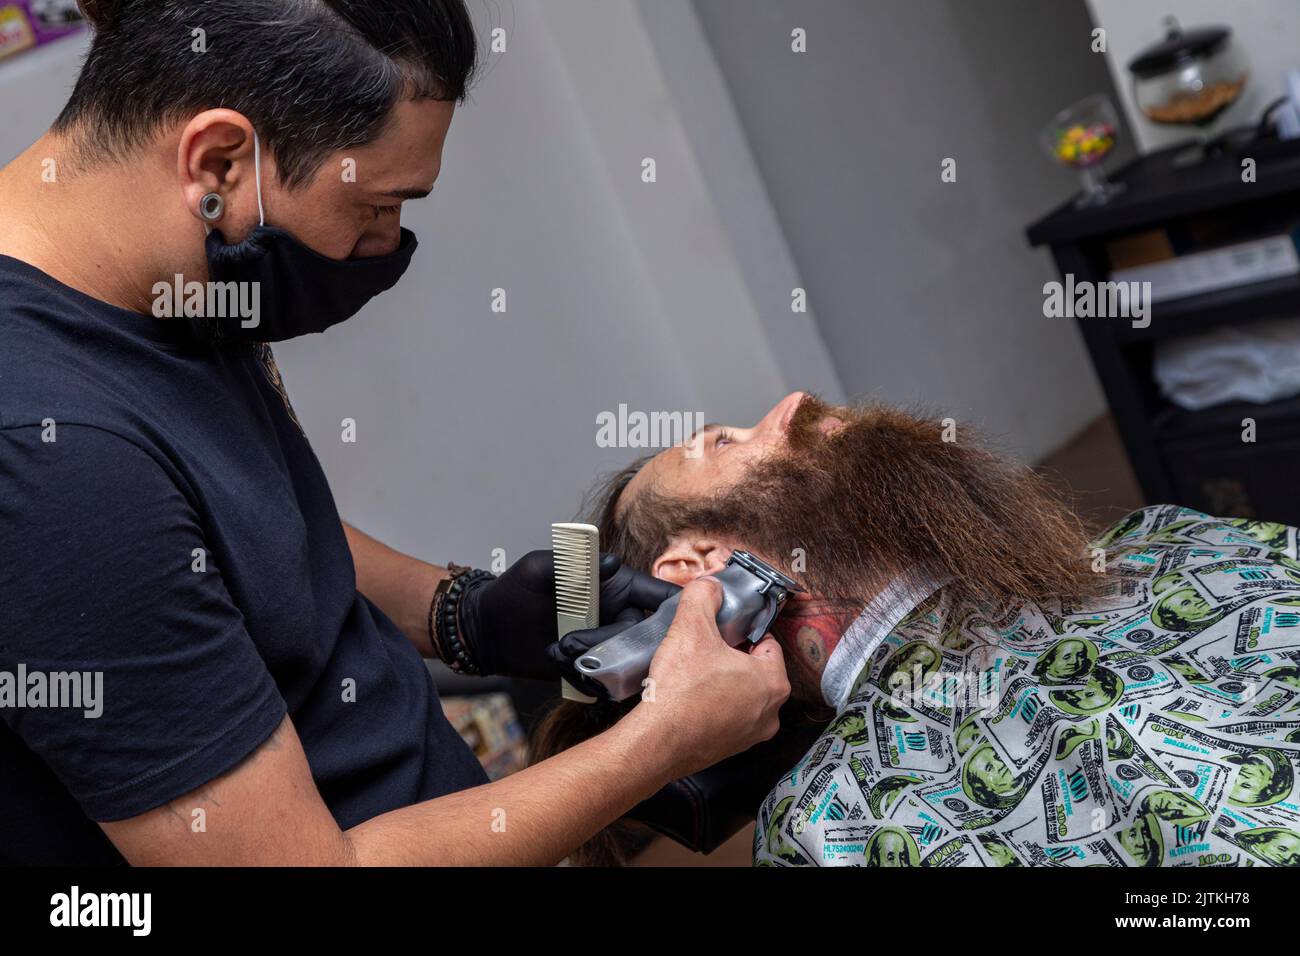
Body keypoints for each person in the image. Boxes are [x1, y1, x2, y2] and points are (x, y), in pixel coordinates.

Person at [0, 0, 789, 866]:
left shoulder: (169, 270)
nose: (386, 245)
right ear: (218, 160)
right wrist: (667, 742)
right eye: (378, 207)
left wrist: (461, 613)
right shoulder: (52, 455)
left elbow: (227, 535)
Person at [539, 391, 1300, 866]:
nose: (795, 402)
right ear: (696, 569)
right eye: (725, 444)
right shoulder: (837, 831)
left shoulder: (1165, 543)